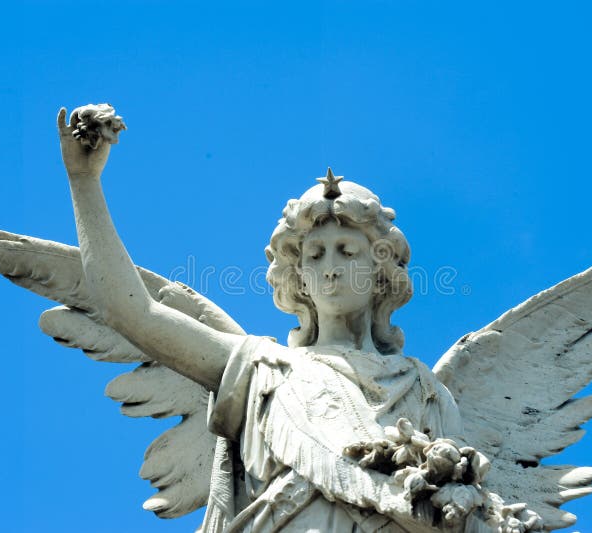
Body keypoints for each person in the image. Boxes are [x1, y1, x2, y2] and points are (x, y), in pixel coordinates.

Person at [57, 108, 464, 532]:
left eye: (347, 251)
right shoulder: (262, 370)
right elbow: (134, 312)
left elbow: (464, 510)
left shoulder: (425, 392)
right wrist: (84, 183)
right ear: (299, 274)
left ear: (378, 267)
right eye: (315, 254)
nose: (330, 268)